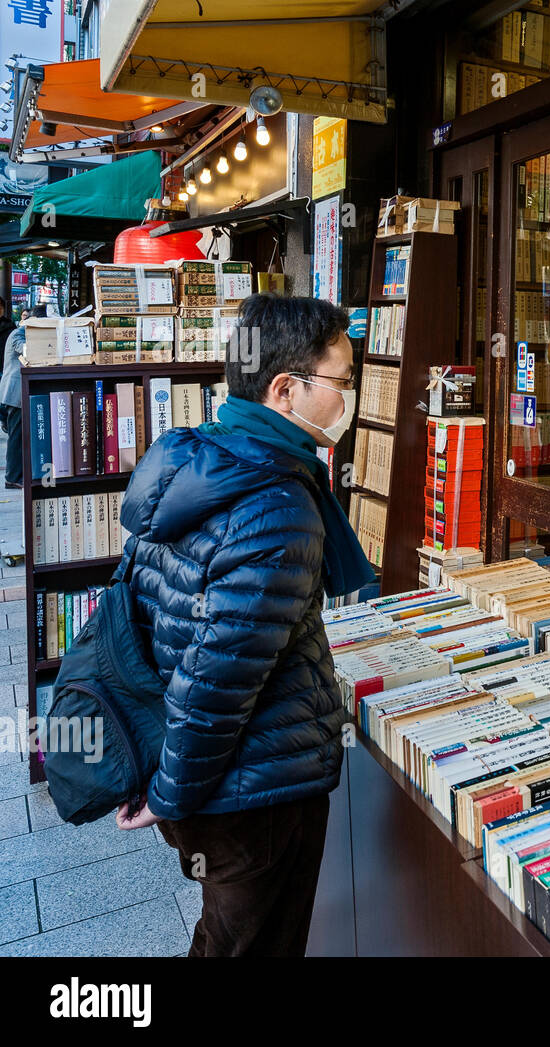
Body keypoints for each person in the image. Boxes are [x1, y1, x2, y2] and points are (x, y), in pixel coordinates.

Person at [113, 294, 373, 957]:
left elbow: (141, 618)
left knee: (225, 932)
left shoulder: (198, 460)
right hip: (254, 795)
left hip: (211, 784)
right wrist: (169, 792)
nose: (349, 397)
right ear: (285, 388)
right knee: (252, 943)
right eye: (341, 381)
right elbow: (218, 678)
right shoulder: (279, 503)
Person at [0, 300, 40, 489]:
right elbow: (27, 350)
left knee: (20, 436)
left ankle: (18, 474)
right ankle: (12, 477)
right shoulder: (18, 333)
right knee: (16, 437)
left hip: (21, 393)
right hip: (15, 393)